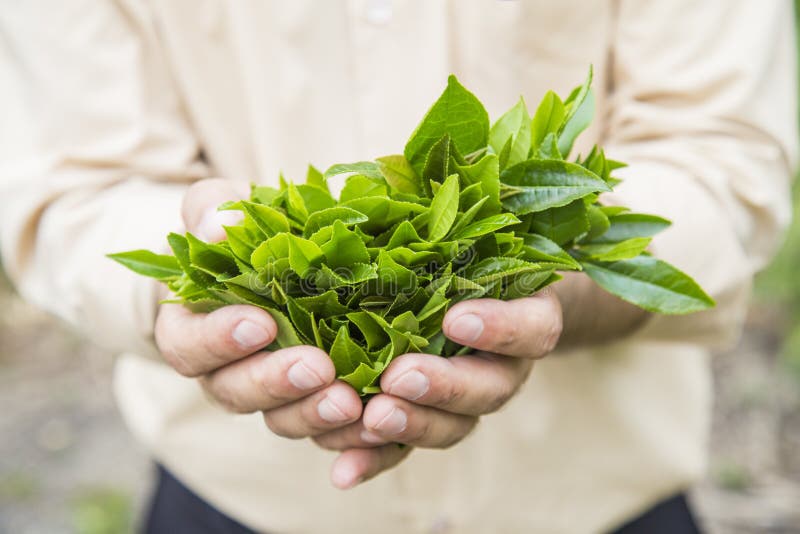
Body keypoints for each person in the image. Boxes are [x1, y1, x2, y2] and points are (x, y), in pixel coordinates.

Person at [0, 1, 796, 532]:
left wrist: (539, 284)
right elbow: (76, 184)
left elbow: (722, 155)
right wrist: (197, 290)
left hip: (598, 499)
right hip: (238, 499)